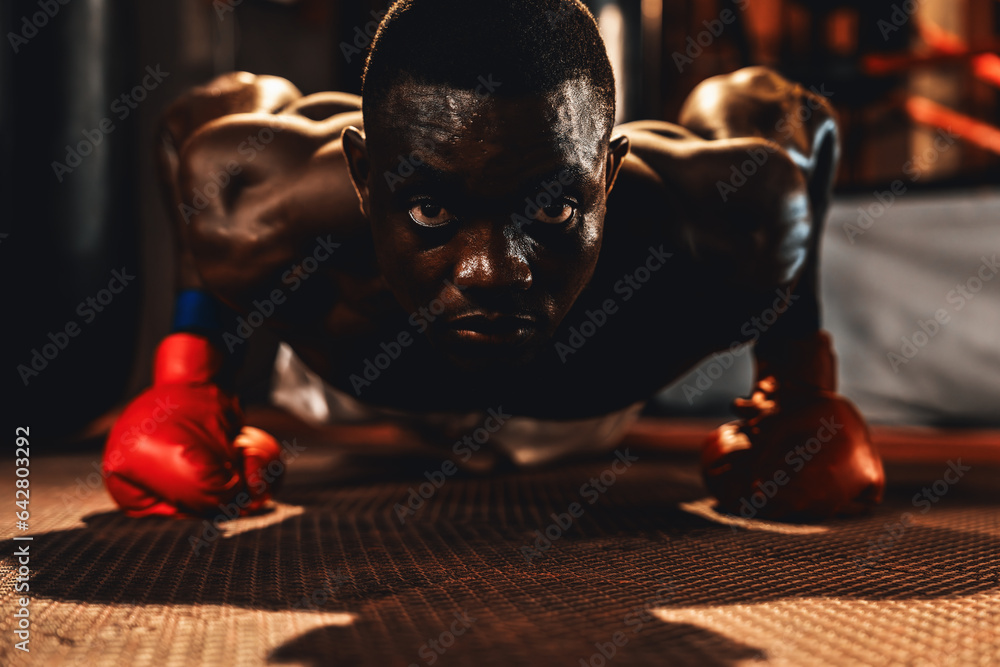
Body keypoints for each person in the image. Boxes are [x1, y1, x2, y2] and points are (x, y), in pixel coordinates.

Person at [104, 0, 884, 522]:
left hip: (587, 382)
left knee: (740, 105)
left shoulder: (723, 223)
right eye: (431, 211)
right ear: (364, 179)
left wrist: (797, 381)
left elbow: (801, 124)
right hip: (364, 381)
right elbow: (193, 132)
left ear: (608, 180)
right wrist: (192, 375)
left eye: (552, 210)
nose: (493, 274)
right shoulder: (261, 206)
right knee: (258, 103)